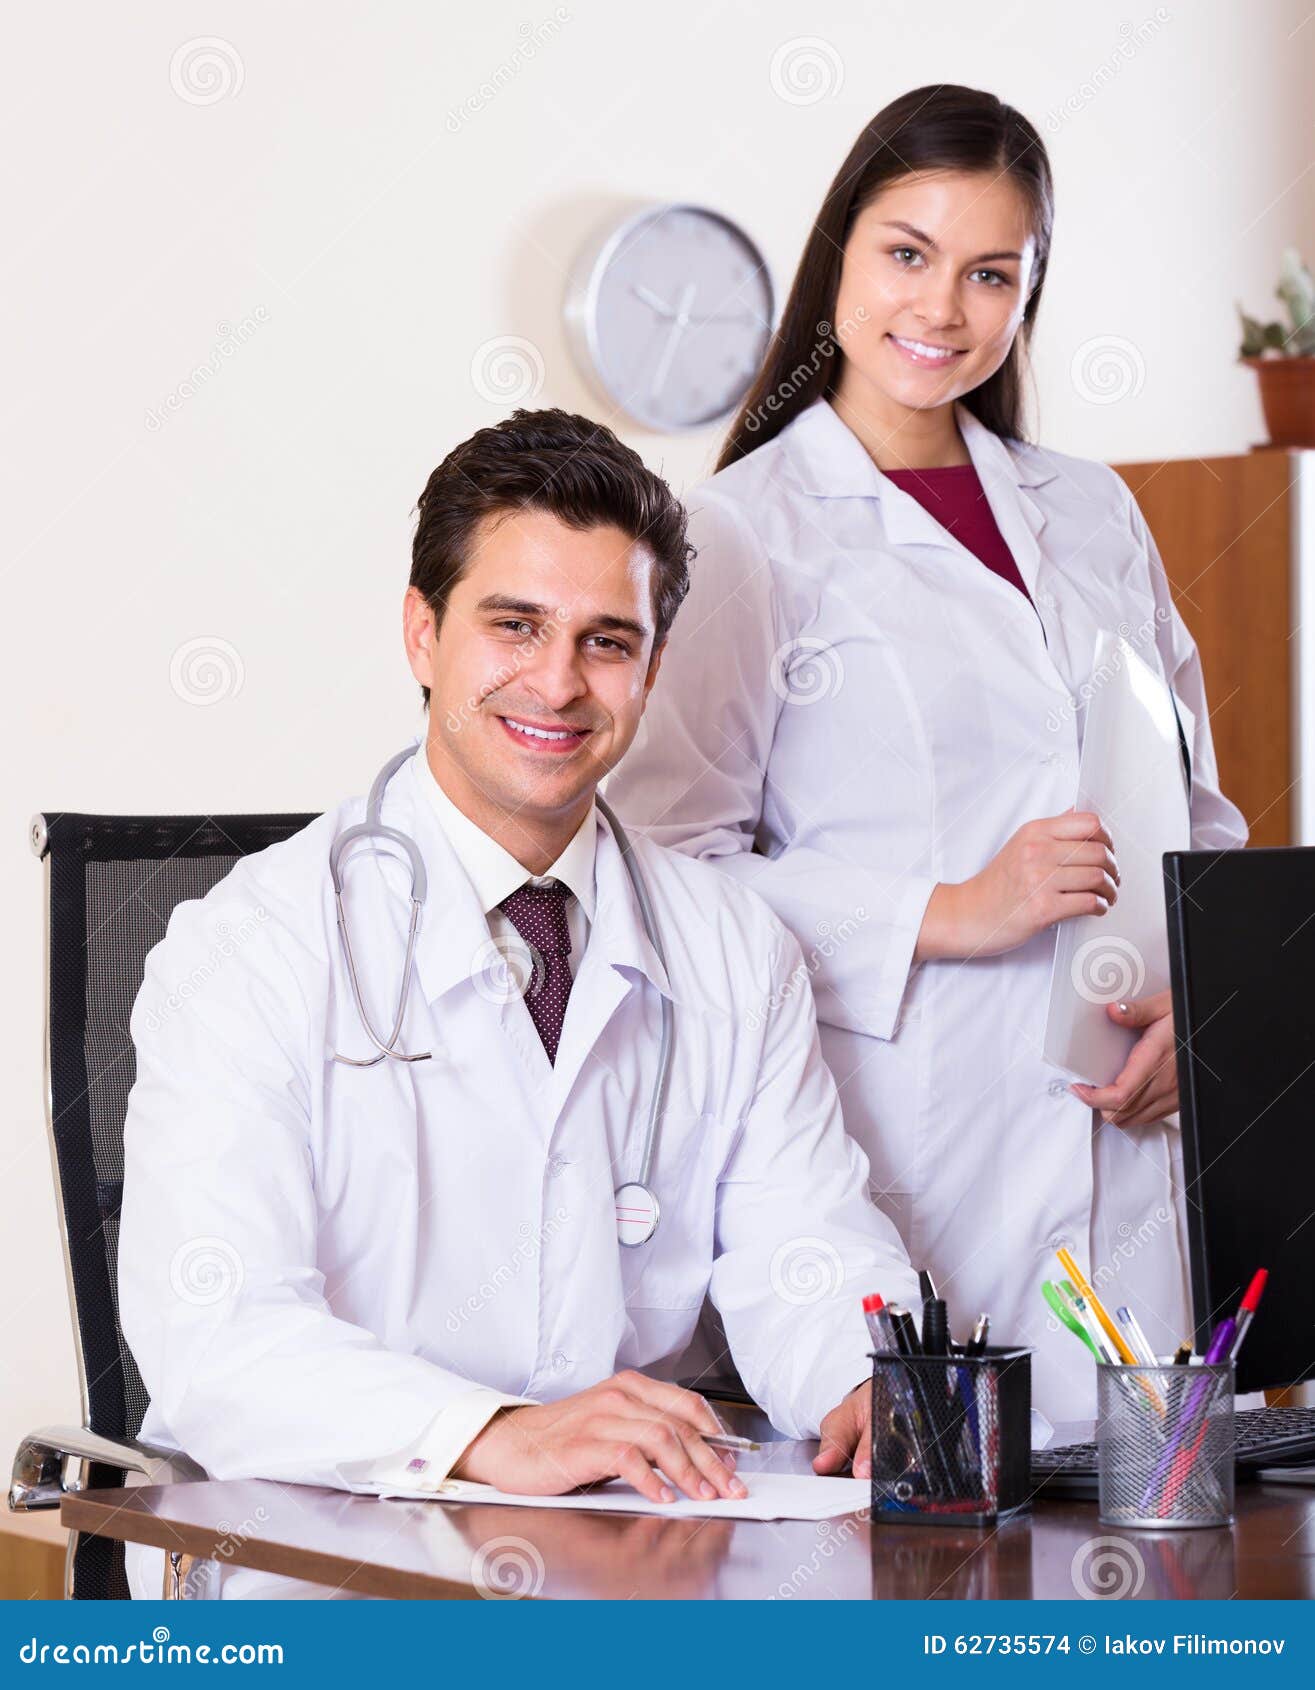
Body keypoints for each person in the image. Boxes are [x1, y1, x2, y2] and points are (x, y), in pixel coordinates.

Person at [117, 406, 919, 1599]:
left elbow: (802, 1242)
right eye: (514, 624)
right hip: (328, 1559)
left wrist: (865, 1375)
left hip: (630, 1553)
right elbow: (217, 1336)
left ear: (650, 669)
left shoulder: (729, 945)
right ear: (422, 634)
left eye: (608, 640)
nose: (558, 681)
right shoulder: (254, 948)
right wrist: (492, 1431)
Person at [607, 86, 1247, 1422]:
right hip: (911, 1145)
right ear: (838, 251)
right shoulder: (738, 535)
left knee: (1154, 1548)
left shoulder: (1088, 509)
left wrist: (1203, 1009)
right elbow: (664, 872)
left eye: (988, 273)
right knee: (946, 1559)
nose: (940, 308)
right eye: (905, 253)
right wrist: (946, 913)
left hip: (1132, 1152)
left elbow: (1193, 811)